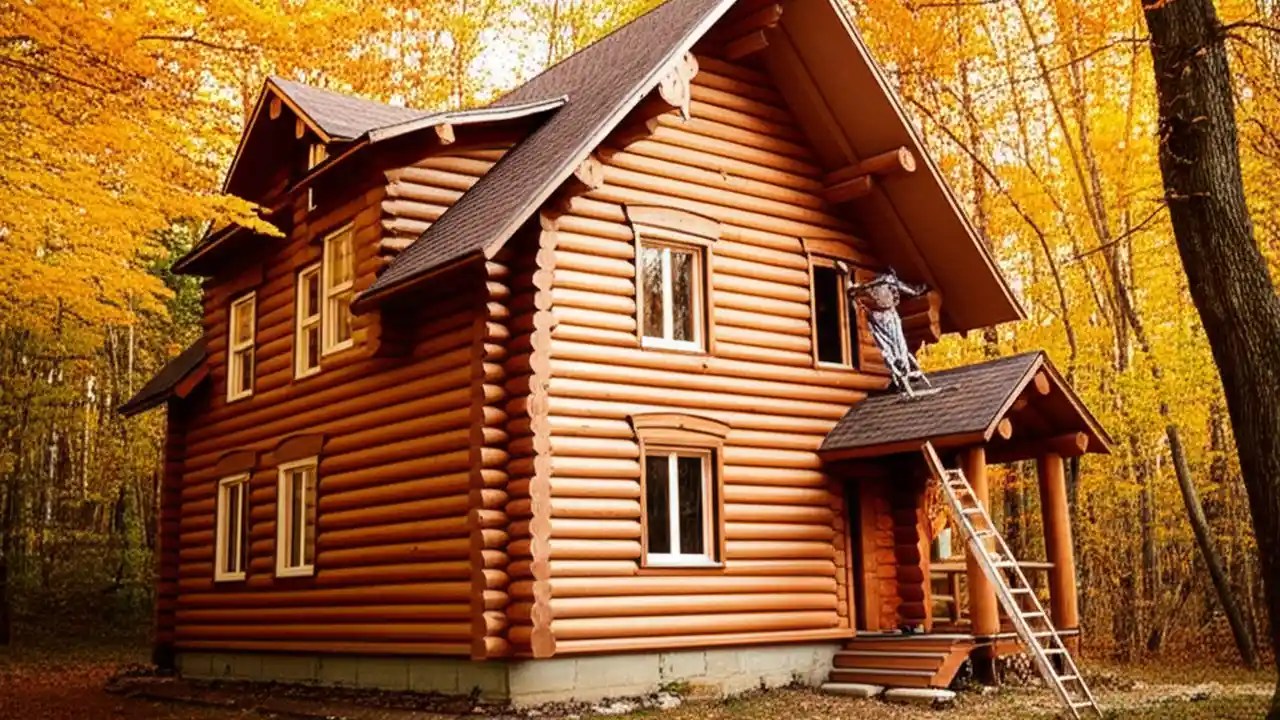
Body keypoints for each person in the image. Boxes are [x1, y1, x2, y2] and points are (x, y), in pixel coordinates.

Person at [835, 262, 932, 397]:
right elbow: (854, 291)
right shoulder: (876, 287)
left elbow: (906, 289)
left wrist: (918, 290)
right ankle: (900, 373)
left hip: (888, 316)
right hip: (881, 318)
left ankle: (902, 371)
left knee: (898, 345)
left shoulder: (884, 284)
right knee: (892, 346)